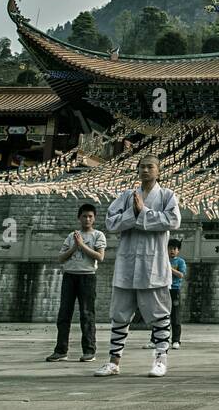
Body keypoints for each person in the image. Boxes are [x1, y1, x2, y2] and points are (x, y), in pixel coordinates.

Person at [93, 156, 181, 378]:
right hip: (127, 262)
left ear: (158, 171)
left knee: (160, 315)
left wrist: (144, 212)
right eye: (141, 166)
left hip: (154, 263)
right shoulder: (126, 196)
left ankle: (160, 359)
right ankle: (114, 361)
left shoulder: (167, 195)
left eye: (150, 167)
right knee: (119, 315)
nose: (145, 170)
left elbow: (172, 221)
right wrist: (134, 212)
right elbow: (111, 222)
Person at [46, 203, 106, 362]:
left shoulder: (98, 235)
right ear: (79, 218)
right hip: (69, 276)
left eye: (90, 216)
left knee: (87, 314)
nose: (87, 219)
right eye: (84, 216)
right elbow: (61, 257)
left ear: (94, 219)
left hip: (87, 277)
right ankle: (61, 351)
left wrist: (81, 245)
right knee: (64, 314)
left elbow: (99, 257)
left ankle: (89, 351)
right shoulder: (71, 236)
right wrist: (74, 246)